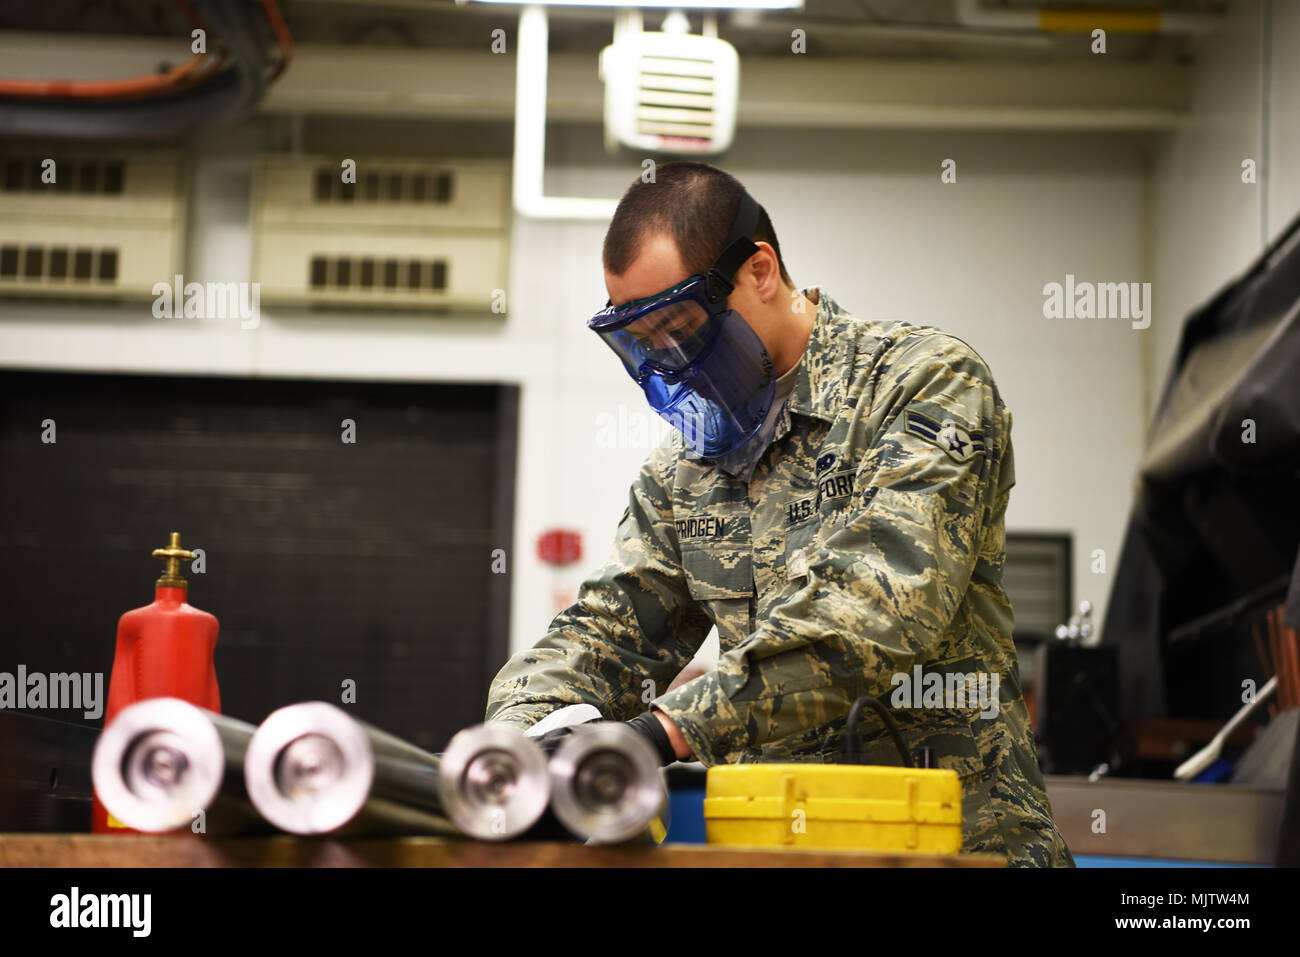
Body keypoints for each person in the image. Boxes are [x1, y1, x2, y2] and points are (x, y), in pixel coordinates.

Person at [485, 161, 1074, 867]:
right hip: (785, 855)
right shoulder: (684, 471)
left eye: (679, 329)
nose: (668, 366)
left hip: (962, 849)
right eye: (645, 345)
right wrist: (523, 736)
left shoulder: (925, 384)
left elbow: (876, 610)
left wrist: (666, 728)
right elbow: (609, 629)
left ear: (758, 270)